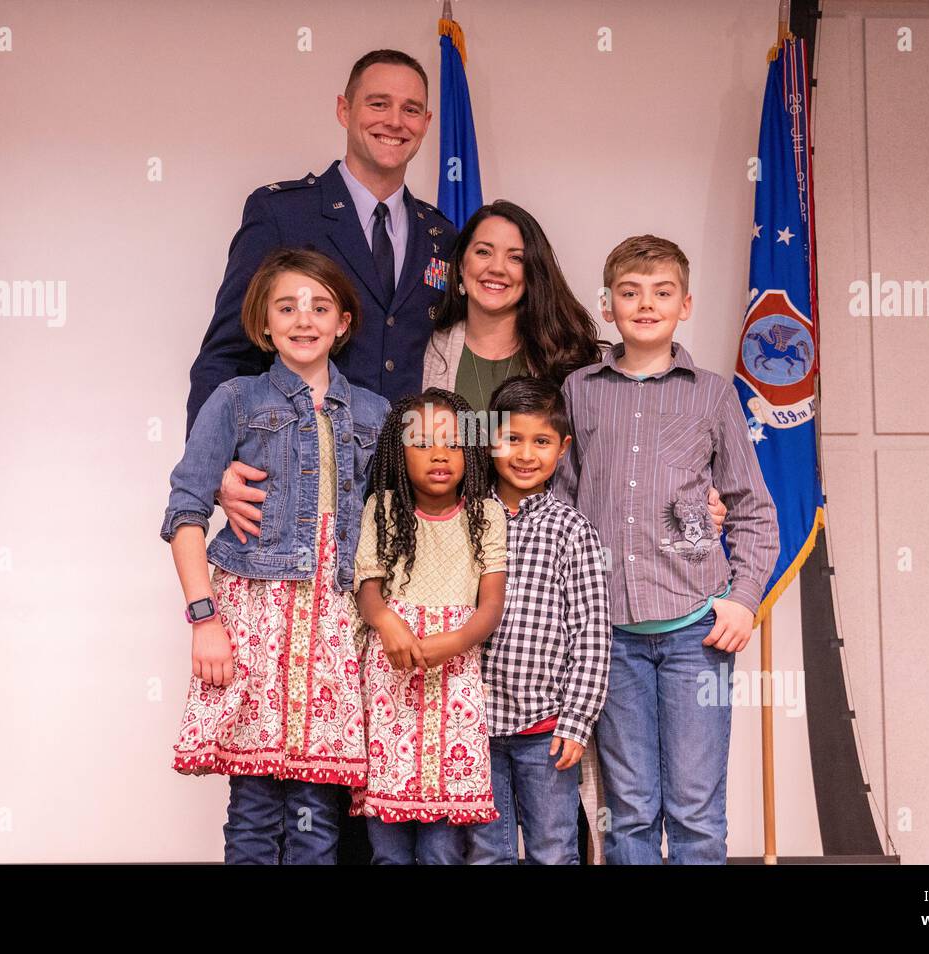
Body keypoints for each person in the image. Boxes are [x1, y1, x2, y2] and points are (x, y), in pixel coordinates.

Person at [553, 235, 780, 865]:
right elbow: (562, 511)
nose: (644, 304)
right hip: (609, 637)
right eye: (629, 293)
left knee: (695, 811)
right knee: (627, 810)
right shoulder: (580, 391)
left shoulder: (711, 394)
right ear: (607, 306)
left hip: (694, 633)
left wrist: (742, 599)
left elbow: (755, 508)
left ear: (686, 304)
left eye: (661, 293)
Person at [161, 248, 390, 864]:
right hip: (252, 626)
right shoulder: (236, 400)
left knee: (317, 818)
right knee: (256, 808)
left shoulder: (374, 413)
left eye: (319, 306)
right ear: (263, 323)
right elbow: (185, 511)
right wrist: (204, 619)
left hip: (336, 629)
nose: (303, 319)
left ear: (343, 322)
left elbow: (387, 529)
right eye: (286, 307)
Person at [191, 48, 456, 541]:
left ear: (426, 122)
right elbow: (224, 353)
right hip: (293, 489)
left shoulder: (441, 236)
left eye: (411, 109)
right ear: (344, 109)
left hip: (404, 500)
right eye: (378, 104)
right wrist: (219, 468)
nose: (394, 122)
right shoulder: (284, 214)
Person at [351, 389, 507, 864]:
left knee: (442, 846)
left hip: (453, 684)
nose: (439, 454)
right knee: (388, 846)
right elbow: (367, 587)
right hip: (390, 682)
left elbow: (490, 607)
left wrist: (453, 641)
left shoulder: (487, 515)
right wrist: (386, 622)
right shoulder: (381, 508)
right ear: (399, 452)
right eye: (422, 443)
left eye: (453, 443)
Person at [466, 376, 611, 865]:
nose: (525, 454)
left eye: (542, 441)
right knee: (487, 850)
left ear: (562, 448)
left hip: (545, 727)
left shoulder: (572, 531)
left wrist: (576, 721)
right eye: (512, 438)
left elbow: (591, 635)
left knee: (553, 848)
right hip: (476, 723)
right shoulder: (468, 520)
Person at [421, 200, 602, 411]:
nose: (497, 268)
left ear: (532, 272)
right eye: (483, 252)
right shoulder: (426, 349)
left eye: (515, 258)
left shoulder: (567, 358)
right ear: (461, 264)